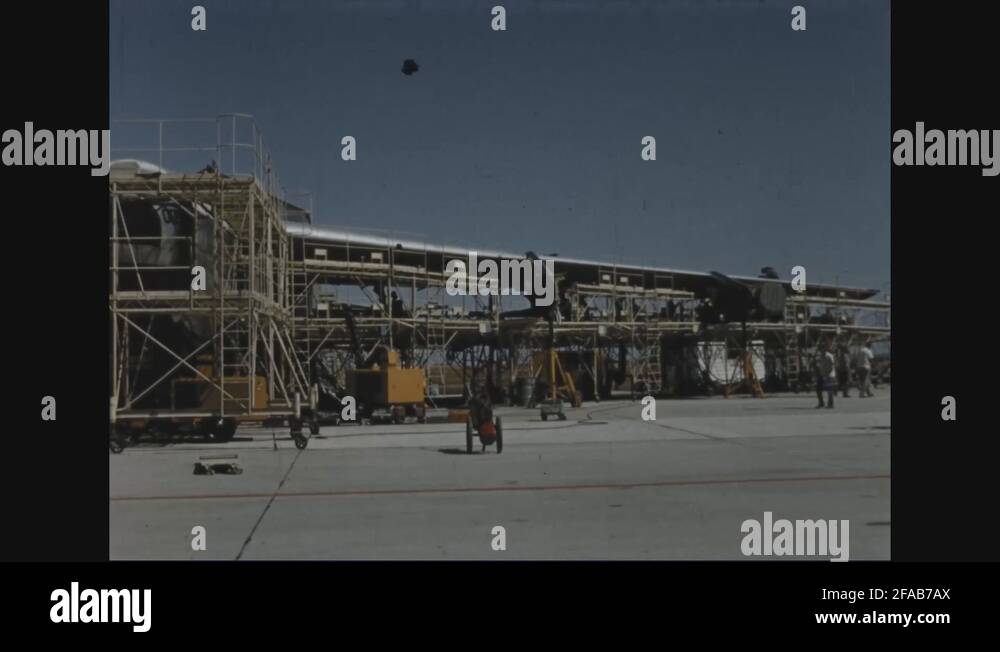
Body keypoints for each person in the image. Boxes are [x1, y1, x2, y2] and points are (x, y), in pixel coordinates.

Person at [813, 340, 836, 408]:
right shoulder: (820, 356)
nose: (821, 350)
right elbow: (820, 365)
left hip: (829, 375)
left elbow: (831, 366)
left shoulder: (829, 356)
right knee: (818, 389)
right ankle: (821, 402)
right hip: (822, 375)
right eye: (820, 348)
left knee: (829, 390)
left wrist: (826, 375)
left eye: (822, 348)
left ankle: (831, 404)